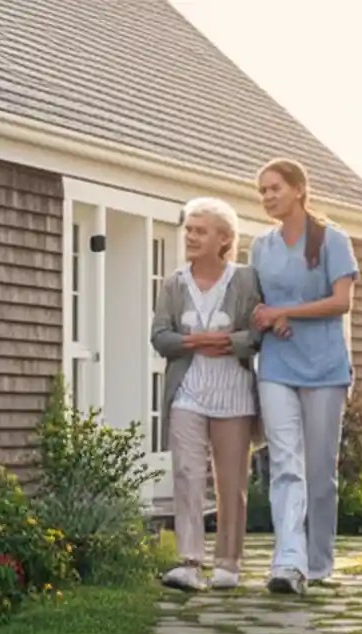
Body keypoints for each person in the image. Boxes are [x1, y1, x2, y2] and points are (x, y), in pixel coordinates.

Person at [248, 158, 358, 595]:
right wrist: (269, 319)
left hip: (325, 369)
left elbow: (341, 302)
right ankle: (287, 562)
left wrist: (285, 311)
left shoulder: (334, 240)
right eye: (262, 191)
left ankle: (318, 562)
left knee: (319, 471)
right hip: (276, 365)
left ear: (298, 190)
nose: (267, 197)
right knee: (284, 465)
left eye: (274, 188)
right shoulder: (261, 247)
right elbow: (258, 305)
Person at [150, 197, 262, 591]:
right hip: (188, 393)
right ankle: (189, 562)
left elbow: (258, 333)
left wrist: (228, 341)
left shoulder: (246, 280)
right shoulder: (174, 284)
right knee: (187, 474)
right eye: (189, 230)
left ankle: (228, 564)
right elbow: (160, 337)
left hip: (234, 394)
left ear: (224, 239)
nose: (192, 237)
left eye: (201, 231)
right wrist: (195, 341)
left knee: (231, 481)